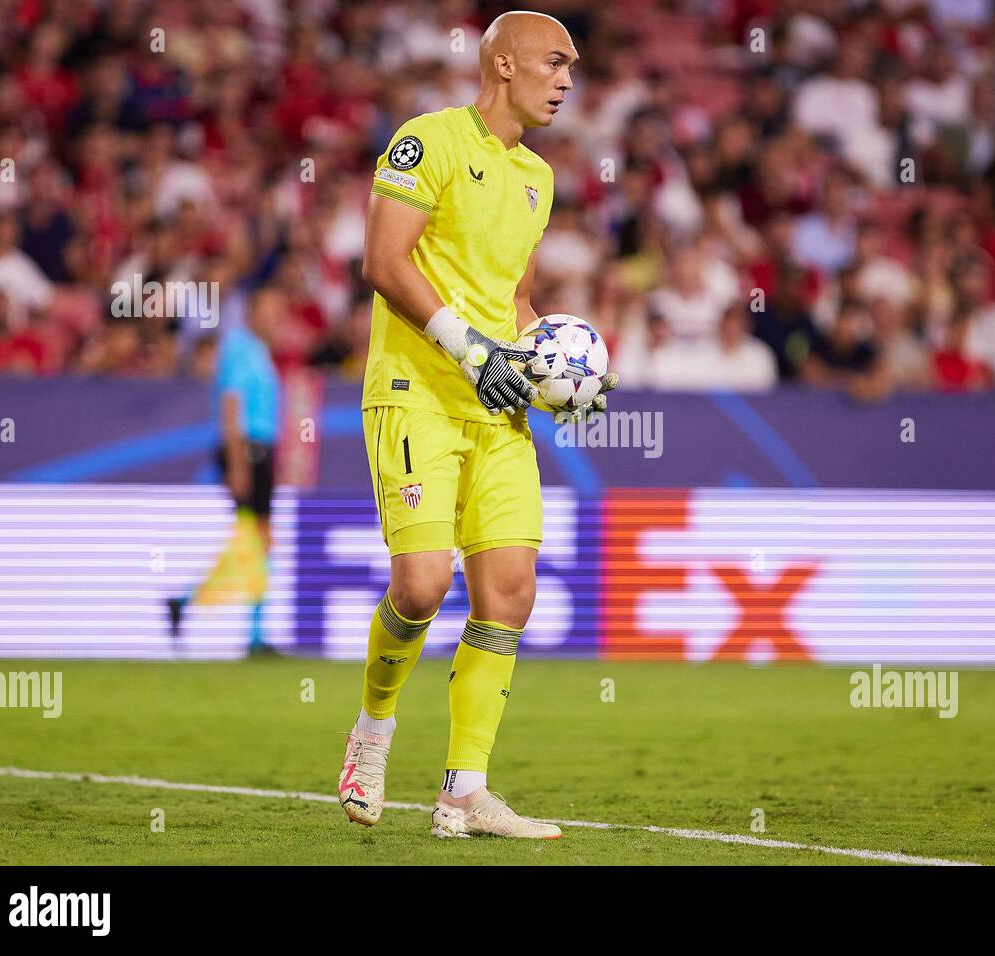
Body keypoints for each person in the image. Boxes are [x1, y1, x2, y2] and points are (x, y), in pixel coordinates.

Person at [340, 10, 616, 839]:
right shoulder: (427, 141)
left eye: (574, 67)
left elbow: (516, 299)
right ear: (501, 64)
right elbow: (384, 264)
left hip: (495, 404)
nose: (568, 80)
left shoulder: (539, 177)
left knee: (510, 591)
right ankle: (372, 731)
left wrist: (559, 373)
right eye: (555, 62)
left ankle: (464, 792)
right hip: (415, 388)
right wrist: (469, 349)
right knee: (421, 585)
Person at [166, 288, 282, 656]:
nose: (276, 318)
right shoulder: (239, 348)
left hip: (257, 451)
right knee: (257, 539)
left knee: (253, 539)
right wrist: (237, 465)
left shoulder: (258, 351)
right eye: (270, 309)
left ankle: (188, 603)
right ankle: (254, 633)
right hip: (246, 450)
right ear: (252, 312)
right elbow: (231, 406)